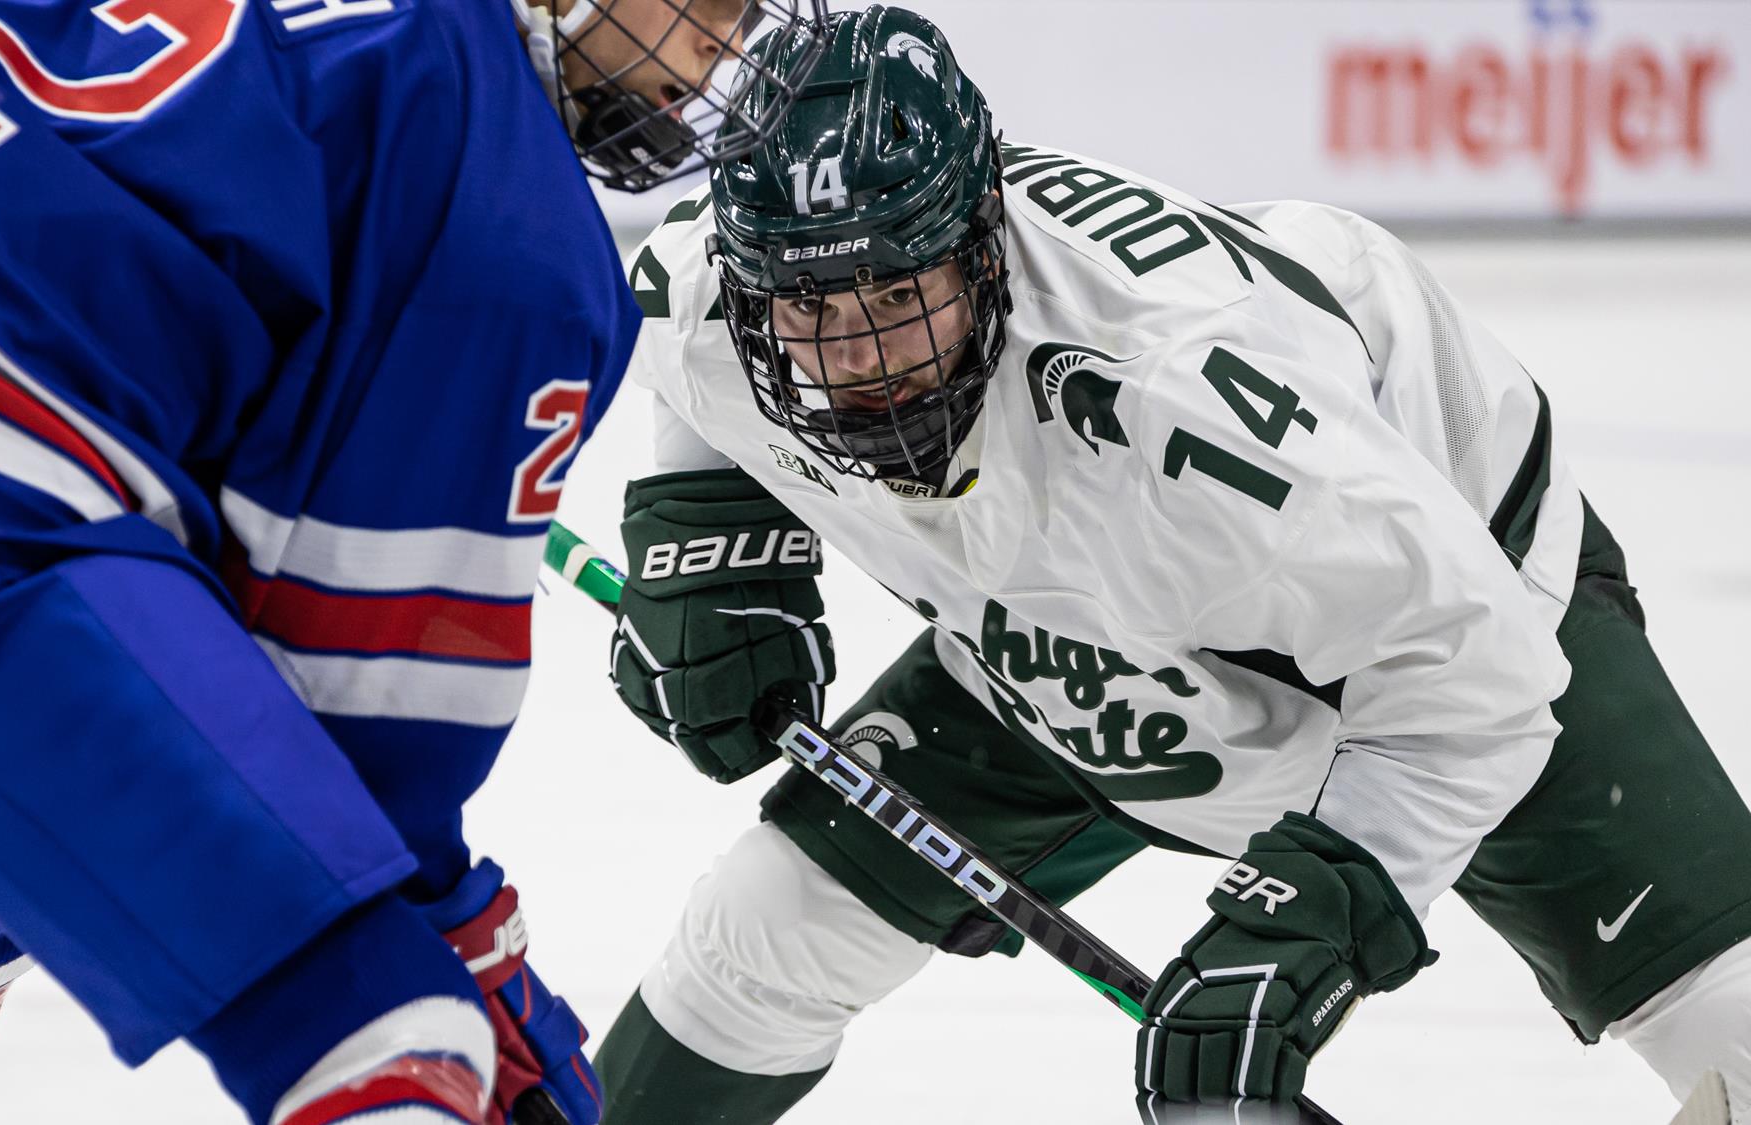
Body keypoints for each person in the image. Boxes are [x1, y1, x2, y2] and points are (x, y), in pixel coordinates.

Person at [595, 6, 1751, 1120]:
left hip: (1449, 628)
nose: (857, 361)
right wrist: (708, 545)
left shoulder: (1186, 402)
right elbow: (686, 356)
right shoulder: (721, 286)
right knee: (759, 936)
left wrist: (1318, 912)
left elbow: (1469, 675)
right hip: (1049, 634)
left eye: (899, 297)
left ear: (982, 247)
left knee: (1732, 1032)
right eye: (807, 310)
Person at [0, 1, 830, 1123]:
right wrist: (464, 955)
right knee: (392, 1035)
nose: (721, 40)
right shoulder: (495, 188)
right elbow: (357, 717)